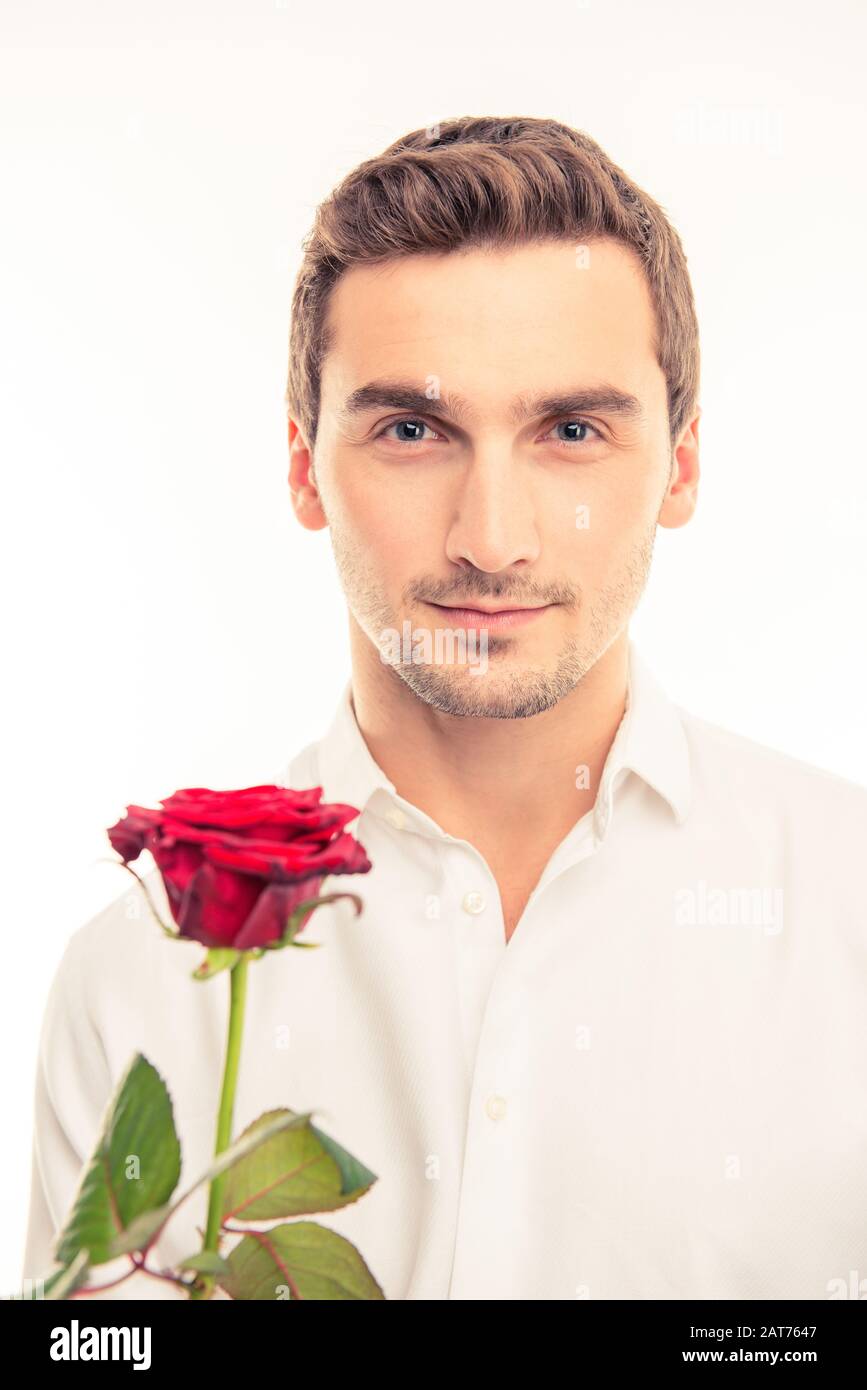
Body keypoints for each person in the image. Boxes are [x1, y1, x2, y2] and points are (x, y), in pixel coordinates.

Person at [22, 116, 867, 1301]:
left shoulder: (850, 913)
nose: (493, 541)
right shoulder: (135, 981)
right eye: (413, 430)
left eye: (572, 431)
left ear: (679, 464)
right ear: (304, 465)